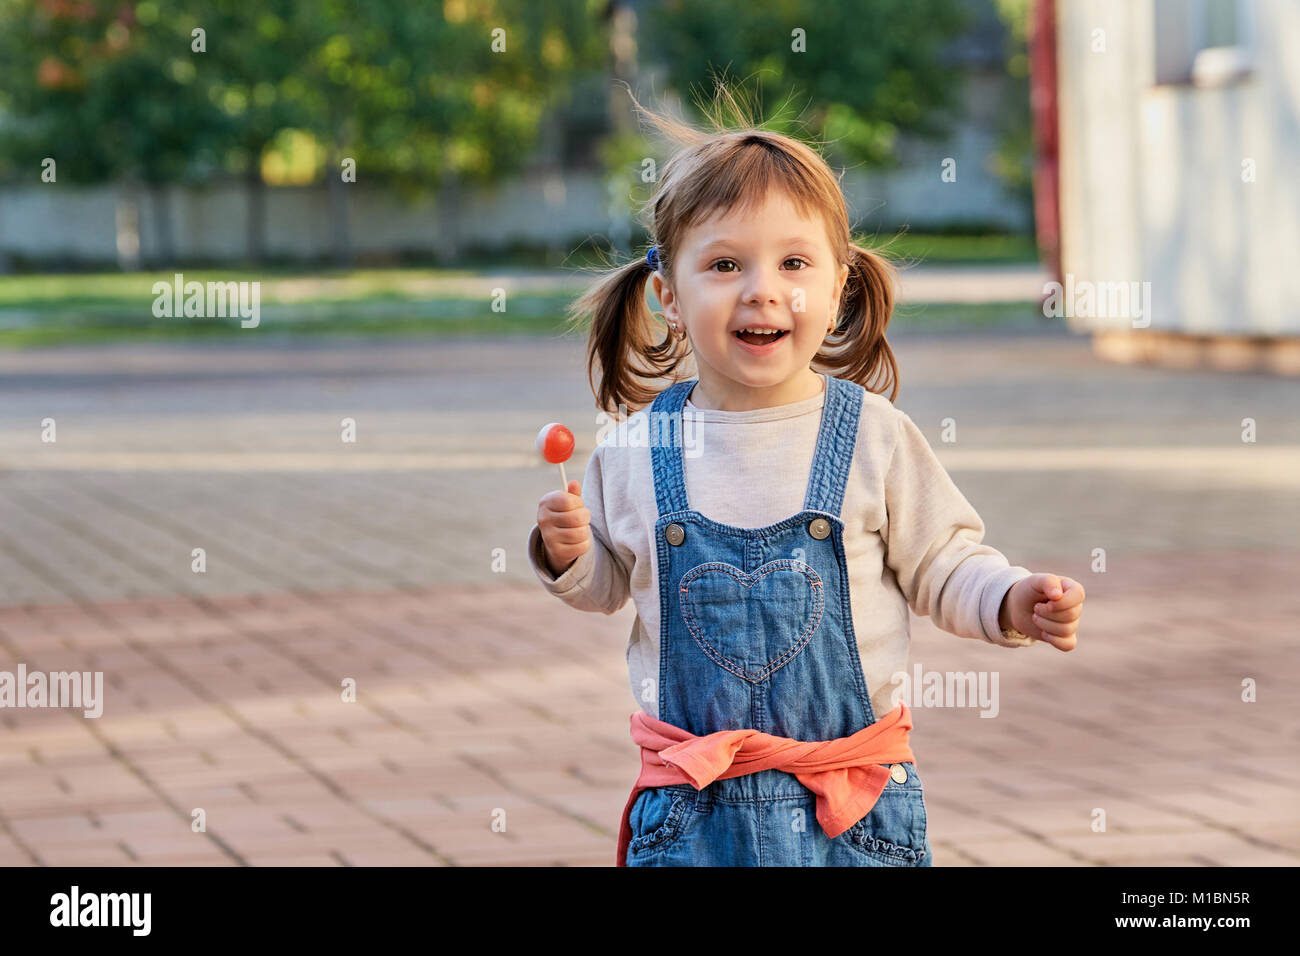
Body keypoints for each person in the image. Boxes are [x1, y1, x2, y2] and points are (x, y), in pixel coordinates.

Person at [528, 87, 1085, 866]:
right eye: (725, 264)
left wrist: (1011, 599)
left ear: (837, 288)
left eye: (794, 262)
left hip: (852, 809)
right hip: (692, 814)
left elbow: (944, 564)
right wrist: (567, 554)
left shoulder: (874, 438)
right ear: (669, 297)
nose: (762, 288)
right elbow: (611, 584)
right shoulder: (632, 450)